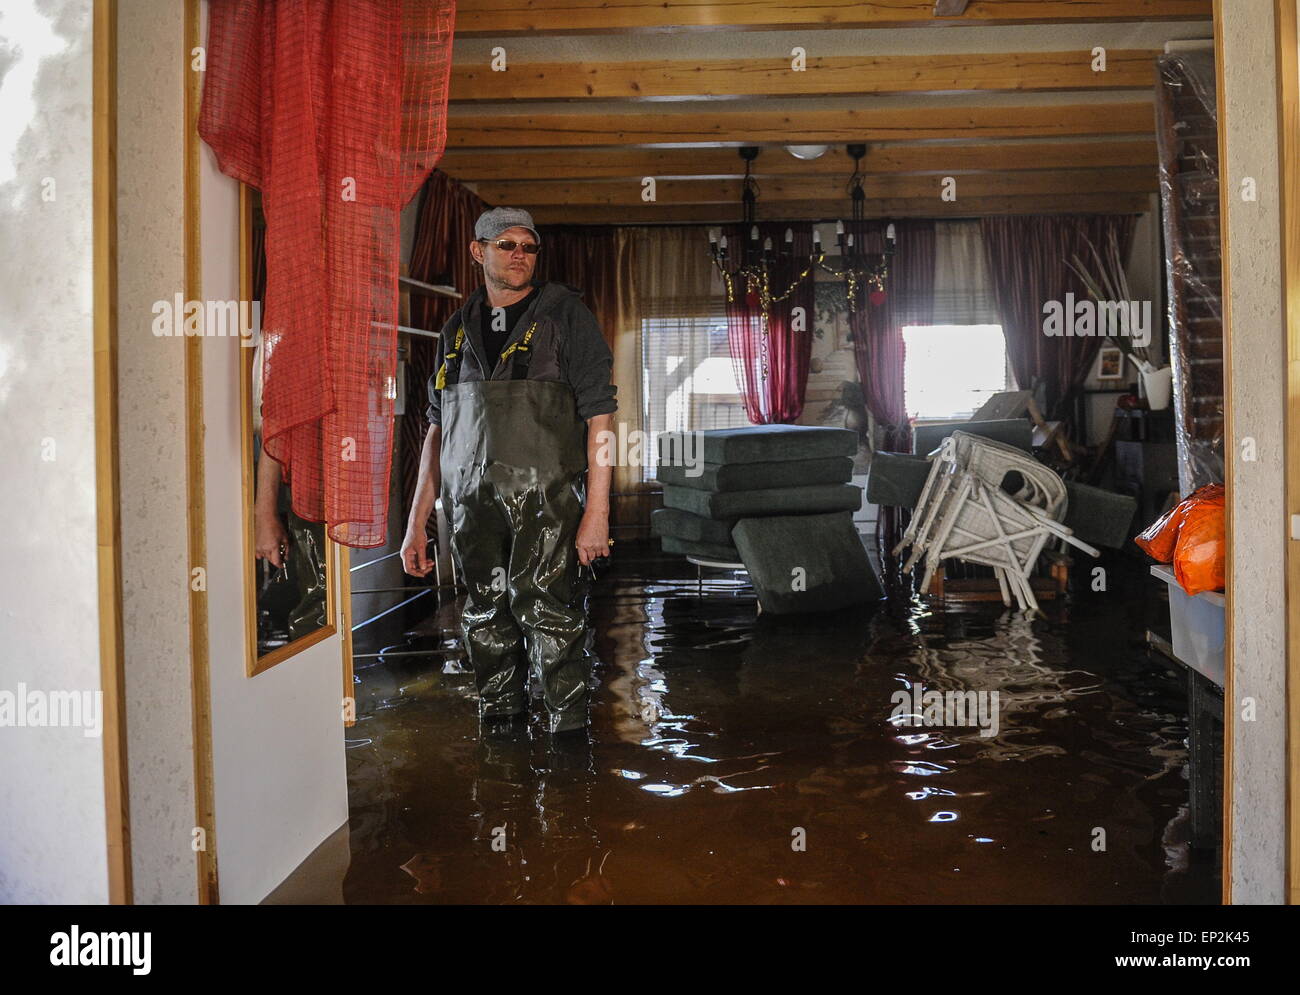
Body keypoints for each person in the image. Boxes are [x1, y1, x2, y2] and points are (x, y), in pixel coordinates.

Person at [401, 207, 617, 734]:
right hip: (471, 504)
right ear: (479, 251)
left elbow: (601, 416)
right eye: (507, 244)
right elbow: (437, 431)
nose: (520, 254)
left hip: (548, 498)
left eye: (528, 245)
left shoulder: (566, 316)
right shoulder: (453, 331)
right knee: (482, 612)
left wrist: (598, 511)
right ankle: (500, 730)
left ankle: (569, 739)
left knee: (549, 610)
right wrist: (416, 522)